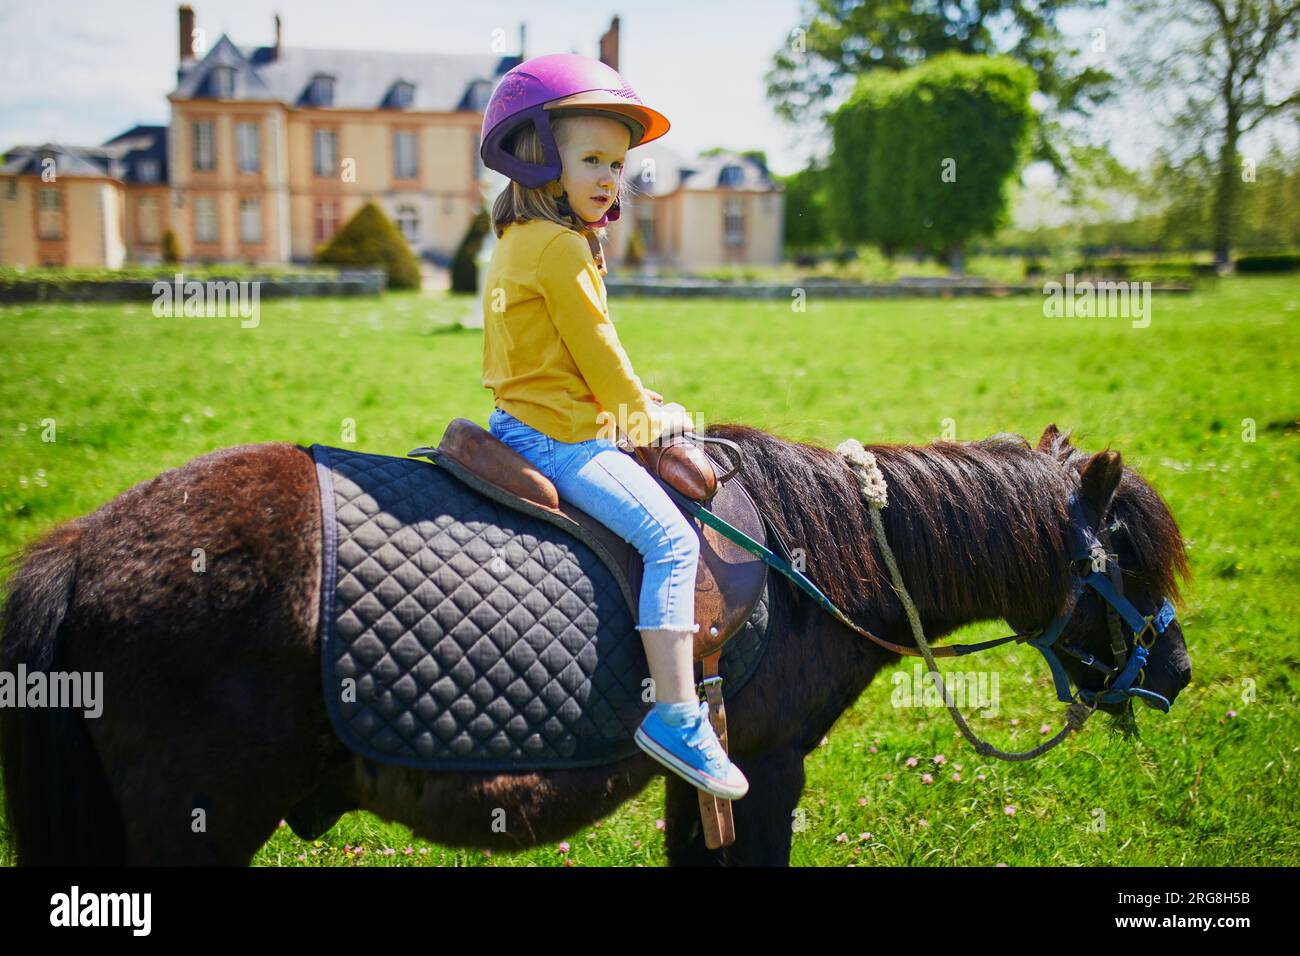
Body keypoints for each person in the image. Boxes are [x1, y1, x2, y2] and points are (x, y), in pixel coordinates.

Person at [478, 53, 748, 800]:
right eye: (590, 158)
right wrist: (650, 418)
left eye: (618, 164)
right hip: (558, 439)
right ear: (537, 158)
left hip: (520, 419)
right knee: (667, 539)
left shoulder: (519, 240)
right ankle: (675, 714)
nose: (608, 178)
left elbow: (571, 360)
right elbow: (603, 364)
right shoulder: (562, 248)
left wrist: (641, 402)